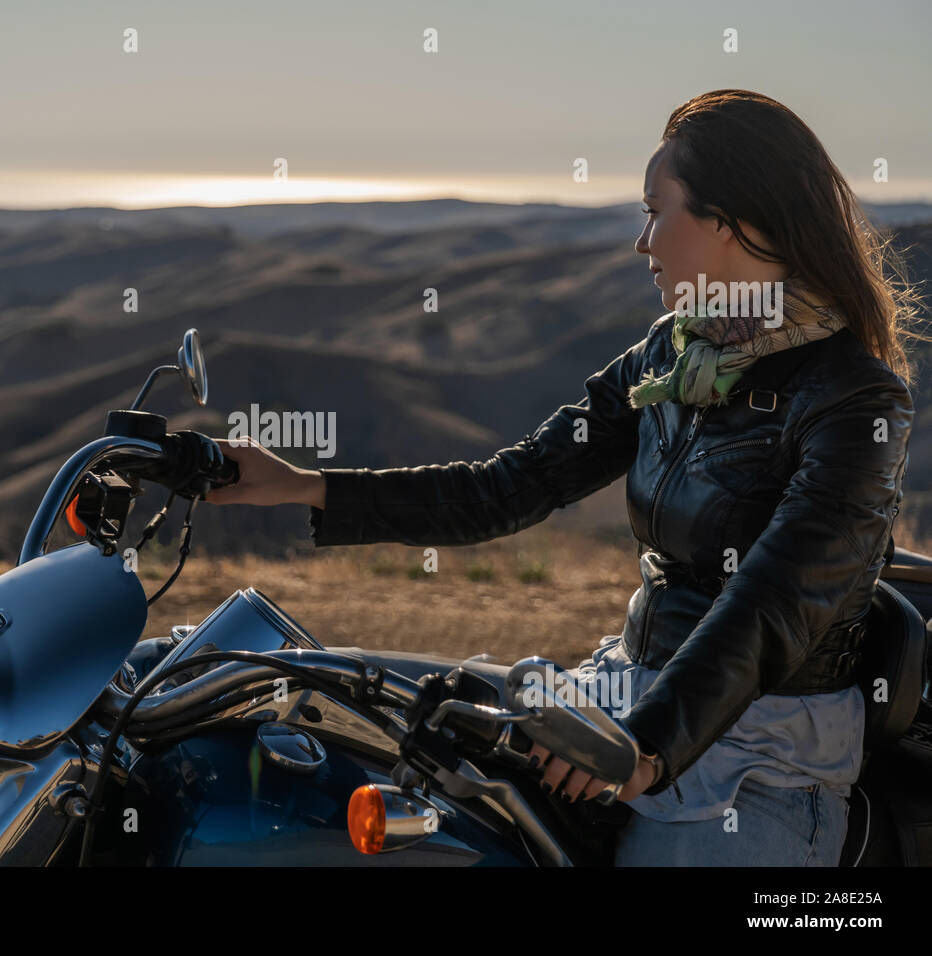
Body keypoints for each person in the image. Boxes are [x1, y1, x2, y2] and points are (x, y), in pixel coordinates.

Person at [205, 90, 927, 866]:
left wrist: (646, 747)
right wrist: (305, 486)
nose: (642, 243)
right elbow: (511, 484)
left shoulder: (853, 398)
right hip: (627, 691)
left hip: (759, 755)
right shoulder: (671, 358)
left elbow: (773, 600)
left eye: (658, 213)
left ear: (732, 224)